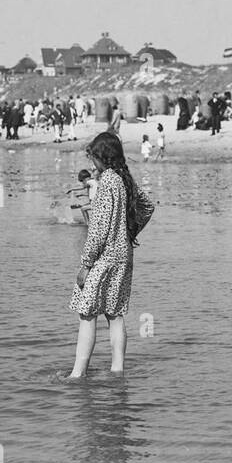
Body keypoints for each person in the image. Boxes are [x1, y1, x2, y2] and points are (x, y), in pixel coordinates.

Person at [67, 132, 154, 379]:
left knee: (87, 313)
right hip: (123, 254)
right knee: (115, 314)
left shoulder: (107, 181)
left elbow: (99, 228)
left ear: (103, 157)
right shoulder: (124, 179)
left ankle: (78, 374)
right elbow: (148, 206)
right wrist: (129, 231)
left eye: (93, 157)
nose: (92, 163)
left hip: (104, 257)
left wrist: (86, 265)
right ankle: (117, 371)